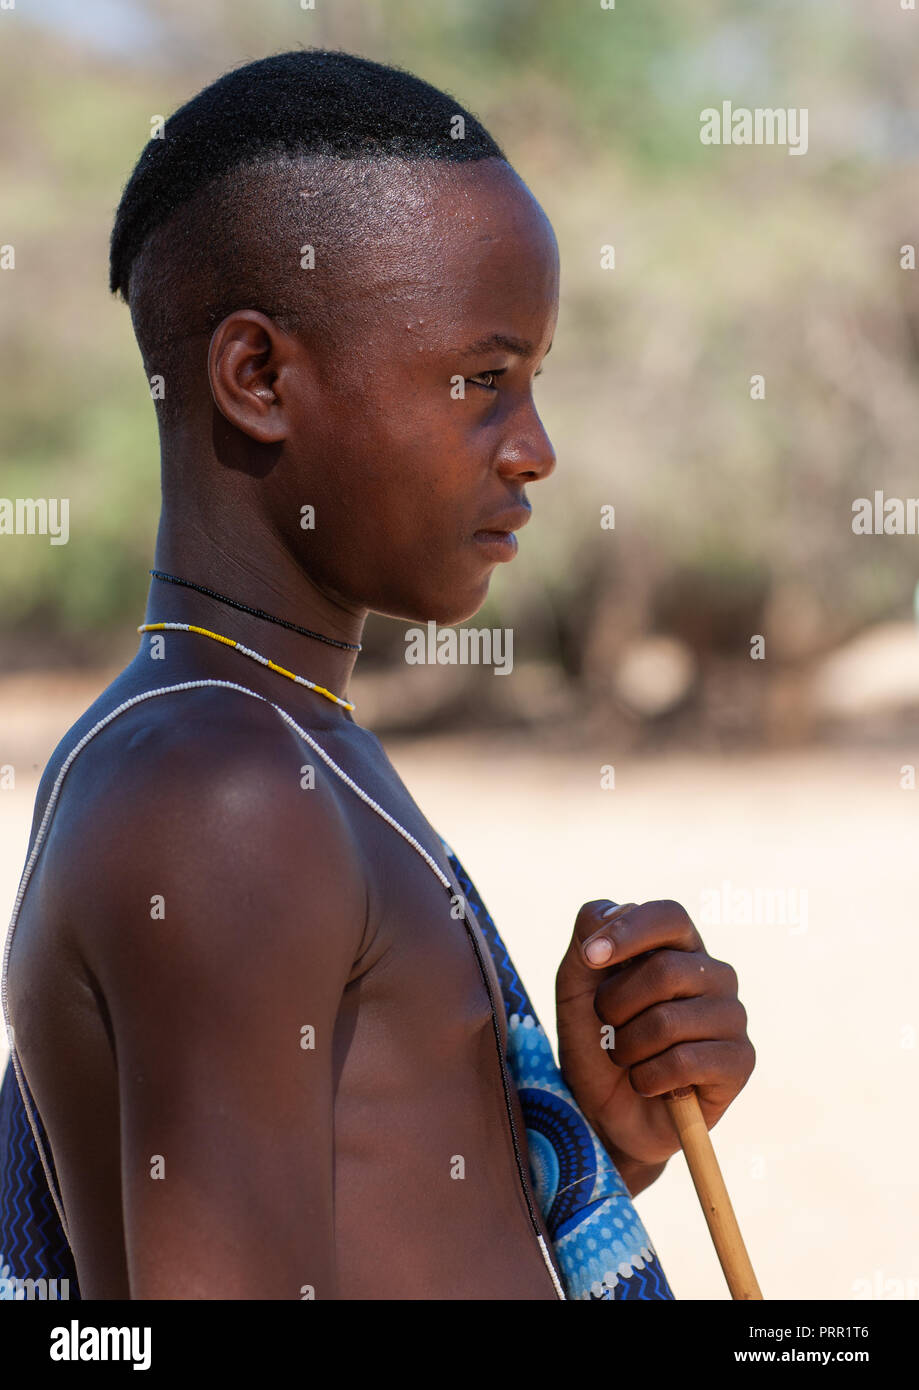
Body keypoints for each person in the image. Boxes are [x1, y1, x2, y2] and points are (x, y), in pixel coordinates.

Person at [0, 49, 754, 1301]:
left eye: (535, 381)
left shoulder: (275, 740)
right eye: (482, 379)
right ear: (257, 379)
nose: (535, 450)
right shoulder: (222, 792)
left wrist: (578, 1155)